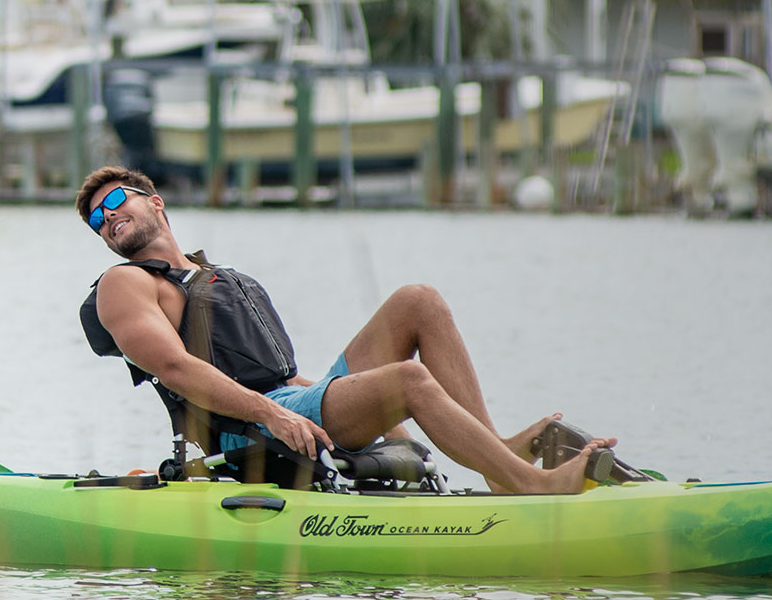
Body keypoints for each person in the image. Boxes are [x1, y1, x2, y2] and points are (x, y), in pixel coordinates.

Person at [71, 166, 607, 494]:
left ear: (154, 202)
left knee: (417, 302)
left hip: (289, 403)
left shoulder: (210, 275)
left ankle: (499, 460)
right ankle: (531, 484)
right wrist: (272, 414)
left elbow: (273, 374)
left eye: (116, 201)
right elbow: (172, 366)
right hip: (244, 432)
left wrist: (372, 411)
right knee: (408, 380)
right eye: (97, 221)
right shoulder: (127, 283)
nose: (107, 218)